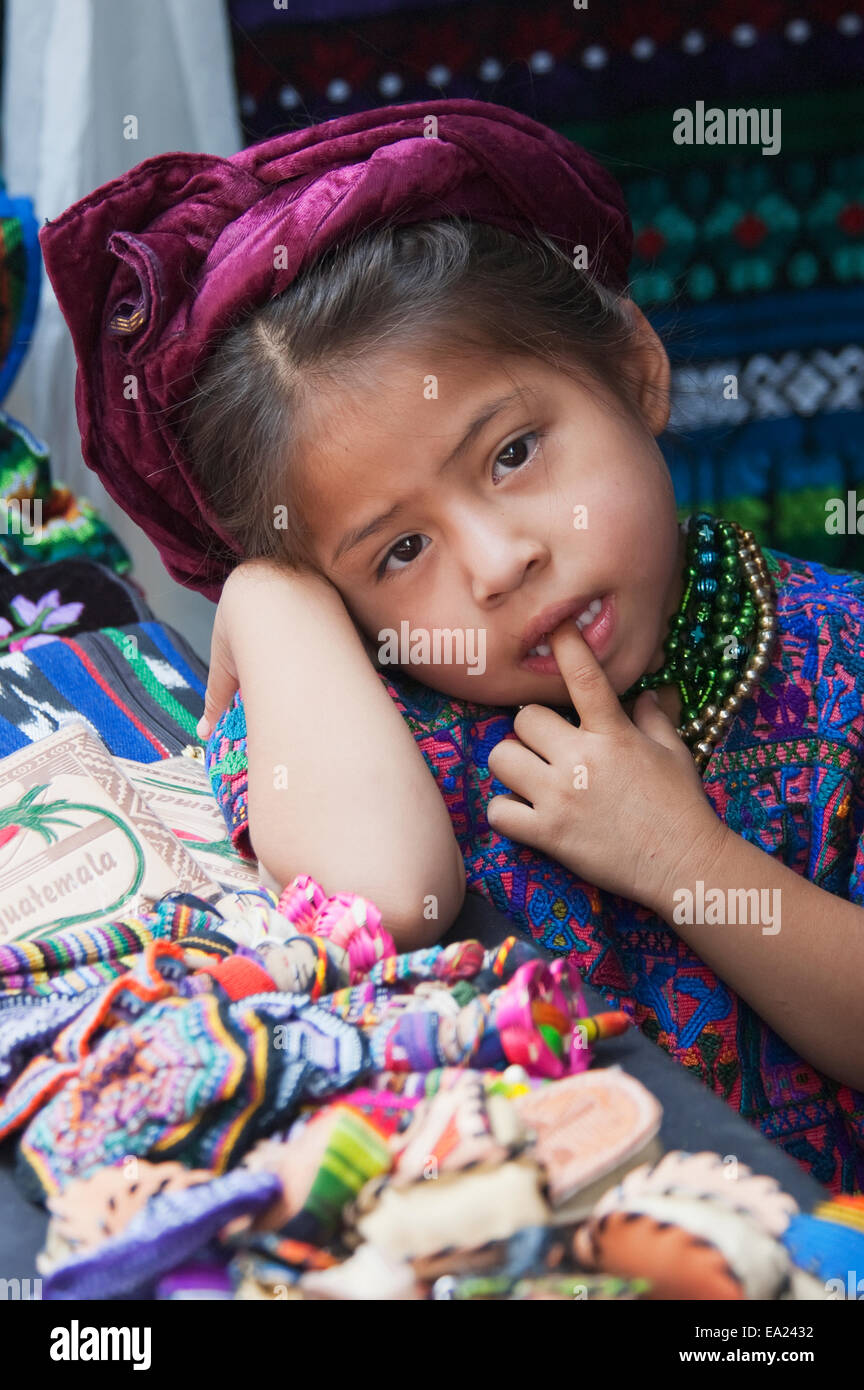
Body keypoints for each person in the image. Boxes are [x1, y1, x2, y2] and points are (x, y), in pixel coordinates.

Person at [39, 101, 864, 1197]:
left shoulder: (838, 659)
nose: (498, 562)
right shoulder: (354, 715)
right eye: (400, 549)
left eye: (514, 451)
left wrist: (685, 862)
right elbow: (384, 898)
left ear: (635, 371)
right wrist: (270, 593)